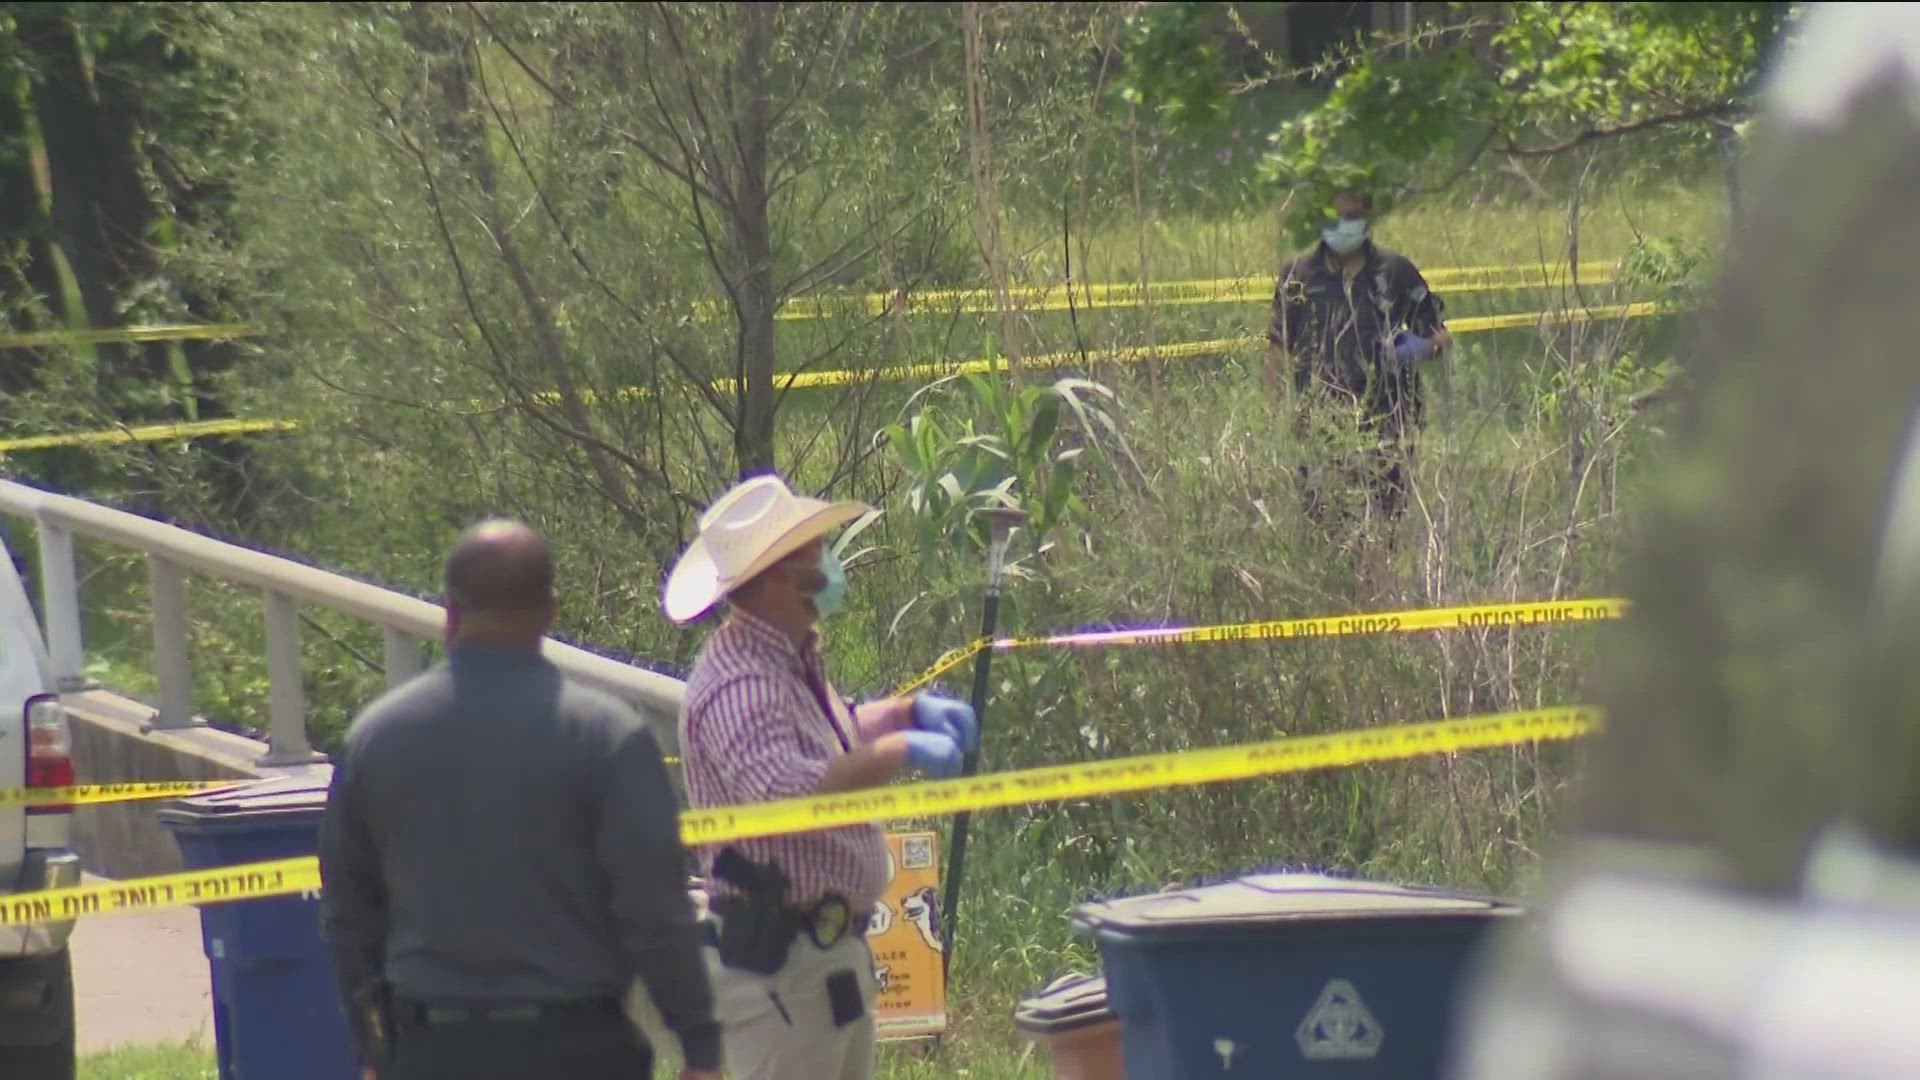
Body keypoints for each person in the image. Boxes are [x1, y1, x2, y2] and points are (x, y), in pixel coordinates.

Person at [318, 519, 721, 1080]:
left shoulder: (376, 739)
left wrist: (375, 1048)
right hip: (578, 1049)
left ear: (450, 612)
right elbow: (654, 908)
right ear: (549, 611)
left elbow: (350, 915)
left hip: (434, 1050)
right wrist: (700, 1045)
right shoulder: (608, 736)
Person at [662, 474, 978, 1080]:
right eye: (815, 549)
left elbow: (825, 740)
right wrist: (899, 752)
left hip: (824, 959)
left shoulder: (786, 656)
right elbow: (789, 792)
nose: (829, 561)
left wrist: (901, 714)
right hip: (784, 970)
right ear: (782, 571)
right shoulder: (740, 684)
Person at [1267, 188, 1452, 527]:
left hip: (1388, 422)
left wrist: (1420, 347)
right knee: (1325, 527)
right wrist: (1278, 412)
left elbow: (1440, 335)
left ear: (1367, 218)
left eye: (1351, 219)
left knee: (1384, 524)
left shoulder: (1396, 272)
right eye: (1335, 218)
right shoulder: (1298, 275)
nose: (1343, 227)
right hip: (1320, 424)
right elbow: (1279, 348)